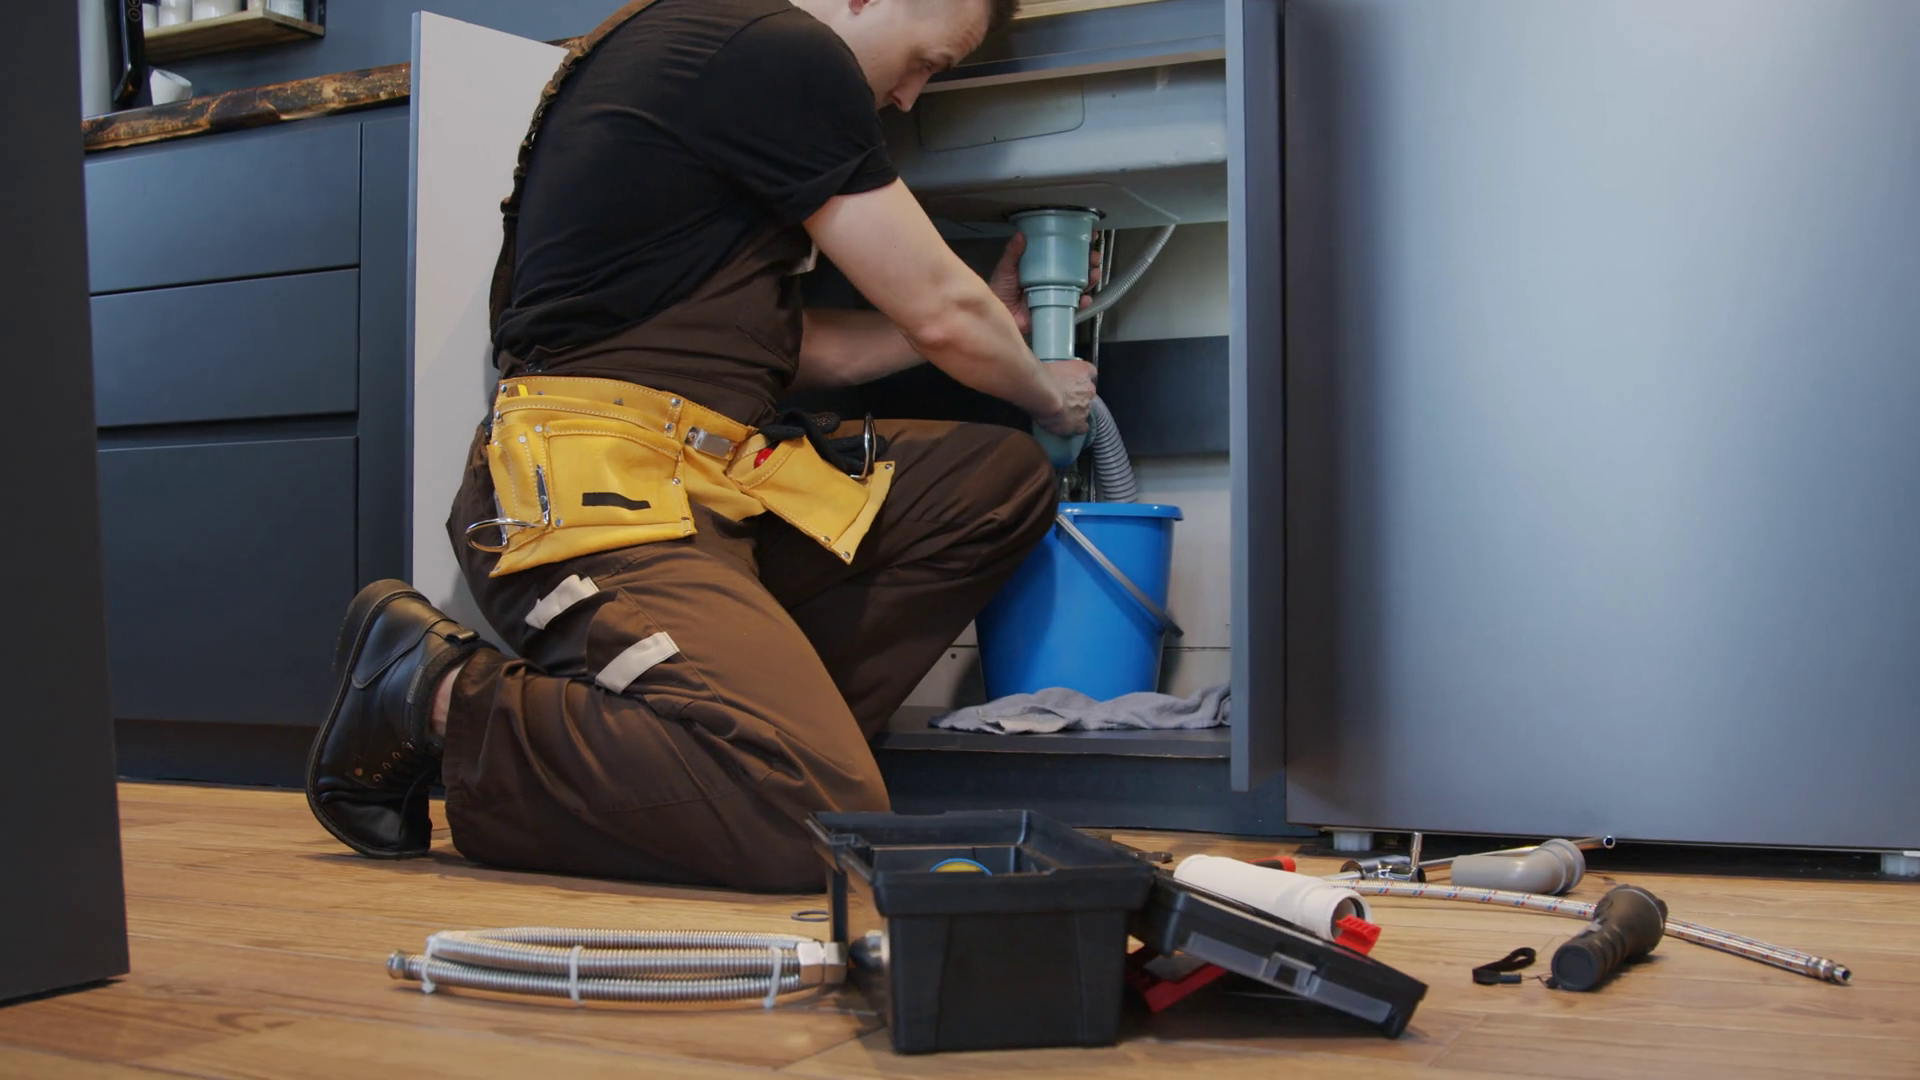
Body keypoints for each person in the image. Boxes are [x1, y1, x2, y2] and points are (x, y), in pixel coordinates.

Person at [304, 0, 1099, 891]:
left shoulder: (715, 55)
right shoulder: (775, 48)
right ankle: (442, 696)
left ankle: (722, 741)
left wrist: (989, 325)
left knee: (994, 479)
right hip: (588, 489)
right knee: (809, 821)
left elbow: (778, 348)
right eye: (927, 60)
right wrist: (1046, 389)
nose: (912, 96)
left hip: (705, 474)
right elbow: (946, 313)